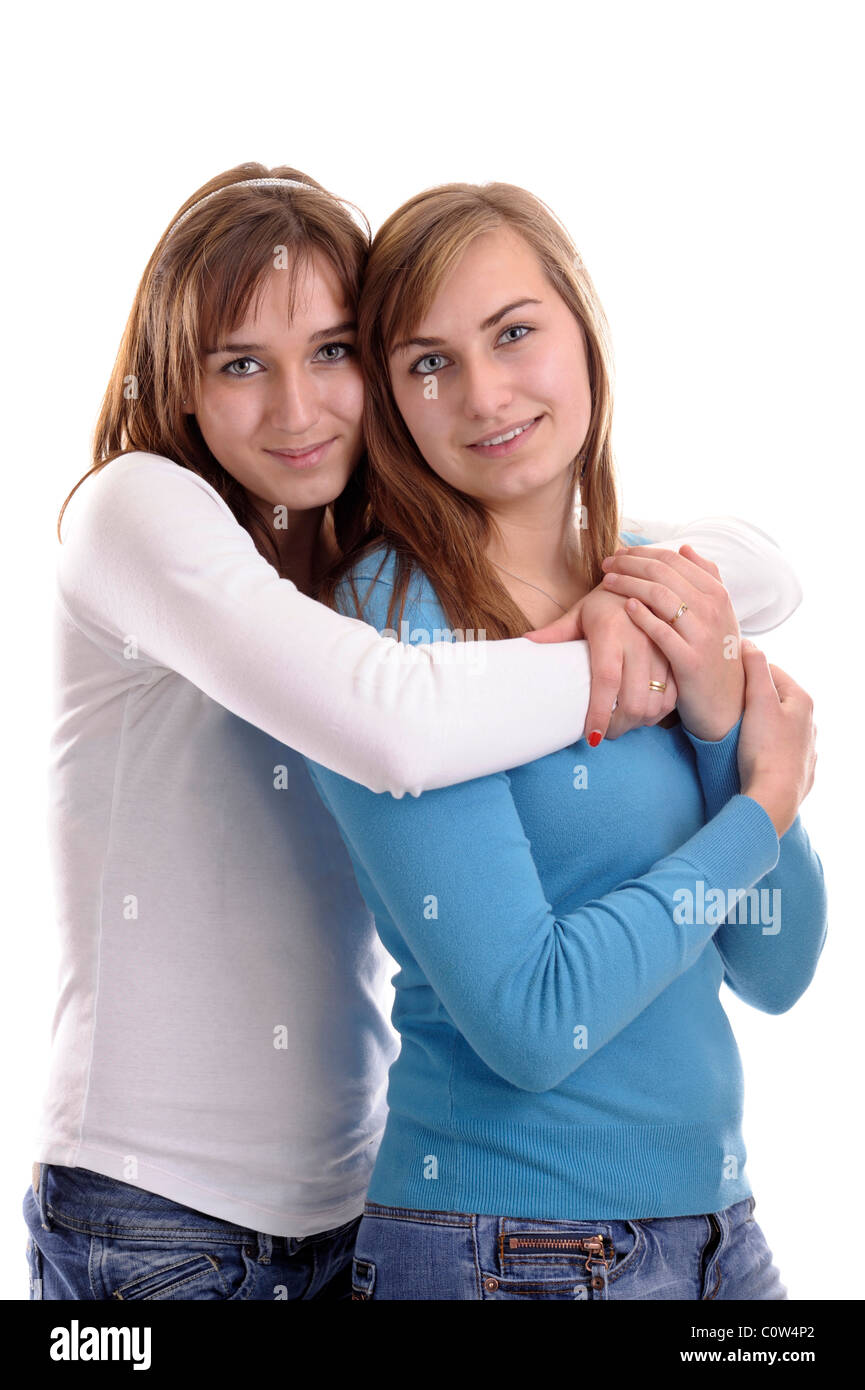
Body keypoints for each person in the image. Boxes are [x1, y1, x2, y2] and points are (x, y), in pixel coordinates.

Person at [24, 165, 803, 1302]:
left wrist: (663, 601)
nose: (296, 407)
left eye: (333, 350)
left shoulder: (359, 552)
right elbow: (397, 724)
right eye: (241, 363)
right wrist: (642, 664)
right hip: (156, 1218)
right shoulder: (135, 513)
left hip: (347, 1203)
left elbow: (763, 566)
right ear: (175, 382)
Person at [301, 181, 827, 1300]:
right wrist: (760, 808)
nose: (483, 391)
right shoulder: (391, 625)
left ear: (583, 330)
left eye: (513, 333)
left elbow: (777, 967)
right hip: (506, 1248)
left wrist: (722, 722)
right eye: (428, 361)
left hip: (716, 1238)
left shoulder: (657, 585)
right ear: (391, 397)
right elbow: (535, 1020)